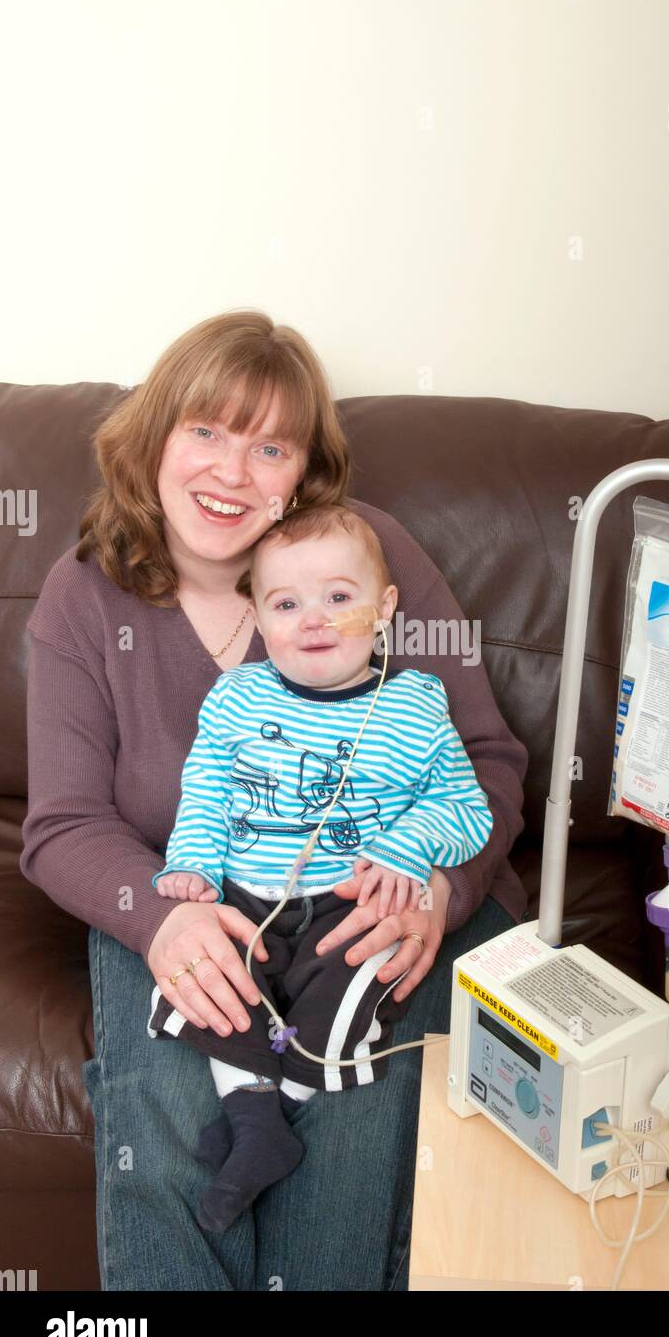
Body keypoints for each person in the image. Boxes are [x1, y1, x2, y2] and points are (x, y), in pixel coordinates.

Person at [20, 309, 529, 1291]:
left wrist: (436, 887)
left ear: (300, 471)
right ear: (153, 437)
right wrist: (159, 919)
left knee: (351, 1098)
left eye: (268, 447)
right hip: (190, 890)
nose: (229, 472)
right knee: (172, 1108)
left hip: (369, 884)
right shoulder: (84, 595)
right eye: (204, 431)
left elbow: (486, 756)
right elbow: (62, 825)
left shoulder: (363, 555)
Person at [147, 504, 494, 1232]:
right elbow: (205, 791)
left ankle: (274, 1116)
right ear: (258, 619)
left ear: (384, 609)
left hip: (348, 908)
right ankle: (255, 1120)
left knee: (352, 991)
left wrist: (409, 847)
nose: (313, 619)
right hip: (248, 901)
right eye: (285, 603)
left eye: (339, 597)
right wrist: (193, 870)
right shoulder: (237, 698)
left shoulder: (413, 706)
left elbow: (469, 812)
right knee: (204, 989)